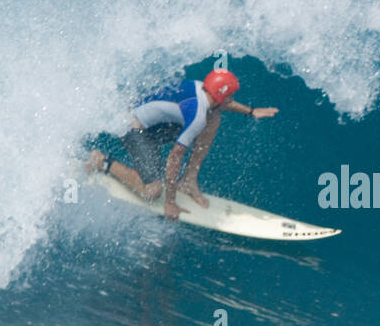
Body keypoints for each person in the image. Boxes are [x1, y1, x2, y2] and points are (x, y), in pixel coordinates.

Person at [86, 69, 278, 220]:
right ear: (221, 96)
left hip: (153, 123)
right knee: (153, 191)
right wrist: (170, 202)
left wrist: (251, 111)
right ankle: (102, 161)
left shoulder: (203, 88)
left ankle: (188, 181)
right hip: (133, 129)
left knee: (214, 117)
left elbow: (221, 103)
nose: (231, 100)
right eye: (229, 97)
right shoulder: (196, 116)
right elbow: (175, 157)